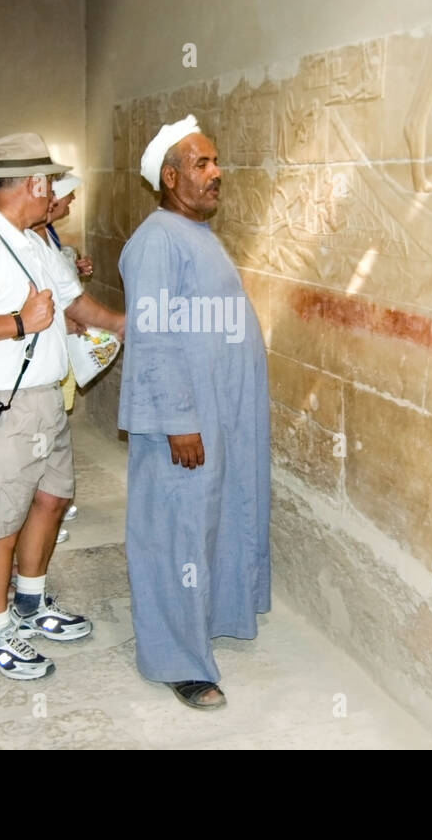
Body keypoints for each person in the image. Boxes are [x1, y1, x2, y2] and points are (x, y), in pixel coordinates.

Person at [0, 133, 124, 681]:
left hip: (41, 399)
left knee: (50, 498)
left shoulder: (31, 239)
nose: (55, 194)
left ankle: (31, 603)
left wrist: (120, 324)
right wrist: (19, 323)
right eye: (52, 184)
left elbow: (70, 301)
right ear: (34, 184)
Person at [118, 115, 271, 710]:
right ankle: (176, 661)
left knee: (213, 521)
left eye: (215, 162)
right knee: (174, 533)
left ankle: (207, 621)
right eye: (203, 164)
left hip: (219, 412)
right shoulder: (157, 240)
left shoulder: (195, 233)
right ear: (170, 174)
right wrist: (179, 421)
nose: (217, 173)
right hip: (185, 421)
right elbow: (153, 341)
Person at [32, 173, 105, 544]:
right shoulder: (31, 235)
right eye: (68, 197)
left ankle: (53, 501)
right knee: (44, 432)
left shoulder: (48, 235)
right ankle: (43, 509)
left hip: (56, 348)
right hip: (43, 352)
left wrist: (73, 269)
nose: (71, 203)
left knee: (56, 425)